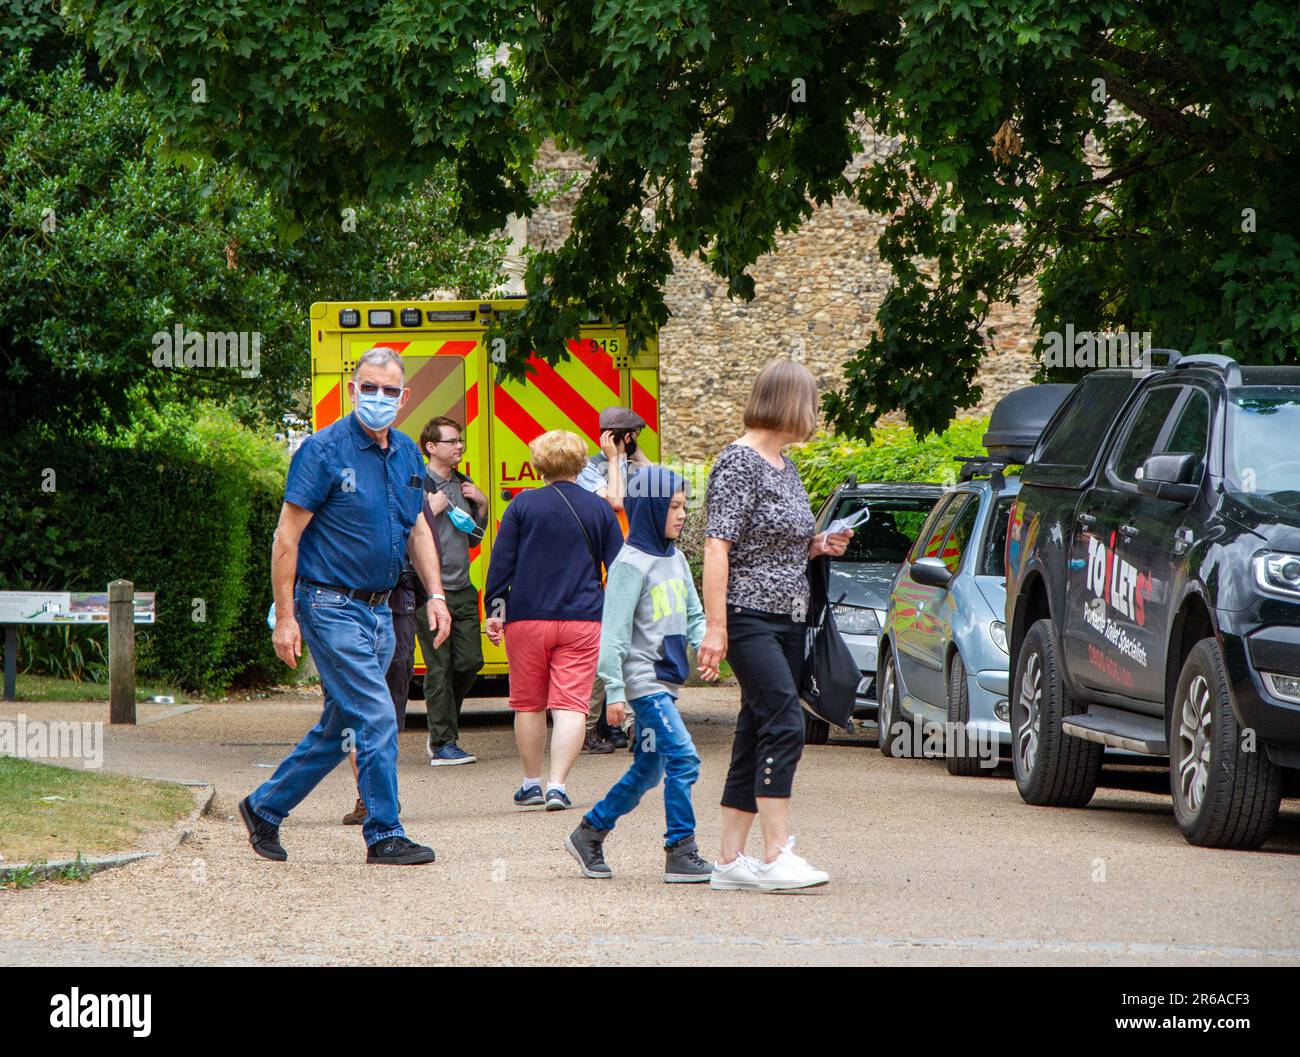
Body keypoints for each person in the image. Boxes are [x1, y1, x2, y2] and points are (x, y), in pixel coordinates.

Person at [239, 346, 451, 866]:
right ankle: (384, 831)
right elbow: (286, 538)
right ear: (353, 390)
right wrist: (285, 618)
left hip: (382, 611)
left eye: (389, 390)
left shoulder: (404, 452)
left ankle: (265, 807)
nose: (378, 397)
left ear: (405, 398)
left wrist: (438, 595)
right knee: (377, 715)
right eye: (368, 388)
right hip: (329, 605)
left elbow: (418, 528)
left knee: (341, 727)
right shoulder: (322, 450)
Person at [697, 359, 852, 891]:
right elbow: (718, 545)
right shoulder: (739, 463)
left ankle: (729, 861)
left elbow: (774, 540)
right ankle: (775, 853)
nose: (815, 414)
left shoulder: (784, 464)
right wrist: (715, 628)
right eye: (811, 402)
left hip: (788, 617)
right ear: (789, 402)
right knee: (786, 722)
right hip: (748, 616)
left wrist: (817, 544)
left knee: (756, 728)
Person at [564, 465, 718, 883]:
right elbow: (612, 636)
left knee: (649, 770)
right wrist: (615, 691)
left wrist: (707, 644)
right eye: (674, 506)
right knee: (684, 759)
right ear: (650, 509)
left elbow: (693, 613)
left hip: (667, 683)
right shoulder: (629, 565)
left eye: (685, 506)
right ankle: (681, 850)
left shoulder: (677, 558)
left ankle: (590, 832)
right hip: (644, 685)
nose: (683, 514)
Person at [484, 430, 622, 810]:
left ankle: (530, 783)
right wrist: (613, 613)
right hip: (583, 619)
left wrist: (495, 613)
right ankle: (557, 786)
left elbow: (501, 566)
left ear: (538, 464)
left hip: (527, 618)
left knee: (528, 704)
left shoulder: (522, 506)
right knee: (571, 705)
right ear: (580, 463)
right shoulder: (599, 509)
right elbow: (619, 568)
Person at [414, 415, 488, 766]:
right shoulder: (417, 483)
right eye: (451, 441)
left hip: (462, 588)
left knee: (471, 661)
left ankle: (444, 723)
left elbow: (474, 538)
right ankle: (442, 741)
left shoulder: (463, 483)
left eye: (460, 440)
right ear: (431, 447)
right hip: (431, 592)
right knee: (439, 667)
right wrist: (430, 508)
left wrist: (483, 506)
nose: (459, 446)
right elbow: (405, 533)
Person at [575, 406, 649, 754]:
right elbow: (615, 501)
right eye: (630, 434)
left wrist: (636, 455)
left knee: (636, 652)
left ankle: (635, 726)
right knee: (603, 655)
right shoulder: (588, 470)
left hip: (639, 569)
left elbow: (665, 491)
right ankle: (589, 728)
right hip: (605, 573)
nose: (633, 441)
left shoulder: (636, 466)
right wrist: (614, 458)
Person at [342, 562, 423, 824]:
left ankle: (371, 795)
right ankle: (375, 794)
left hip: (356, 607)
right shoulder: (411, 519)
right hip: (389, 605)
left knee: (356, 711)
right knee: (376, 711)